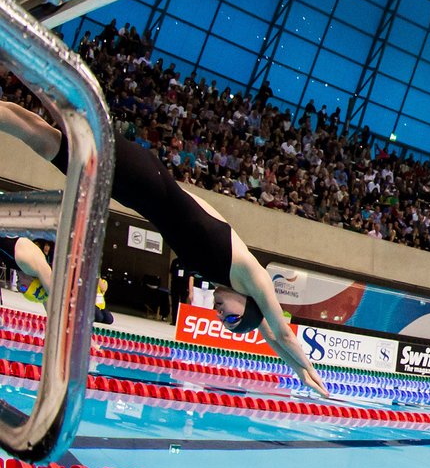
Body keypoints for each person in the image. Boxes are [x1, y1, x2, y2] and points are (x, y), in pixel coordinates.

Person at [0, 101, 330, 396]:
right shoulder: (250, 273)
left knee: (49, 140)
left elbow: (269, 335)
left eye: (222, 321)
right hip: (141, 181)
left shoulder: (228, 279)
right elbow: (283, 334)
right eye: (230, 316)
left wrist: (295, 369)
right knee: (49, 141)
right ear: (248, 303)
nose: (219, 315)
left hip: (141, 186)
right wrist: (308, 368)